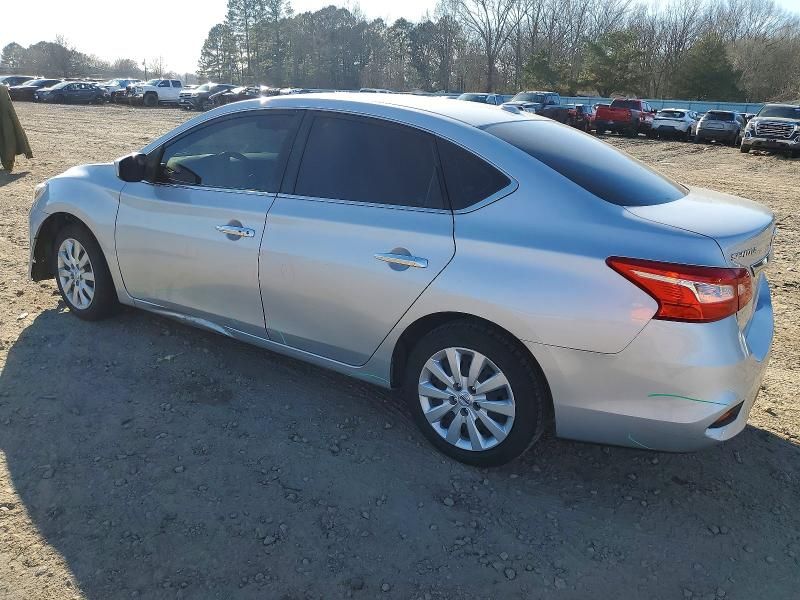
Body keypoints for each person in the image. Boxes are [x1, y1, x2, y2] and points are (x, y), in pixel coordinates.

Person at [0, 84, 33, 172]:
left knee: (7, 140)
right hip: (5, 120)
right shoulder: (2, 90)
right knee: (7, 140)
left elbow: (8, 109)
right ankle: (8, 163)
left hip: (4, 120)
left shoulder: (2, 90)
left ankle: (8, 163)